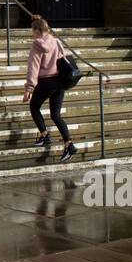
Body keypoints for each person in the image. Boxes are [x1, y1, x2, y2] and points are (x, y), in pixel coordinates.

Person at [22, 16, 77, 161]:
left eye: (33, 31)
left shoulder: (37, 45)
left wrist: (28, 89)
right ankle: (69, 144)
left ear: (37, 30)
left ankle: (44, 134)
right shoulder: (56, 41)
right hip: (60, 82)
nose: (32, 34)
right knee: (56, 115)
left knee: (34, 107)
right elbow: (63, 59)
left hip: (46, 81)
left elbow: (33, 68)